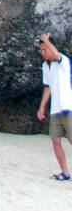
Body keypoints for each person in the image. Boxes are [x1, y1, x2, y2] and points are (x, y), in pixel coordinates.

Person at [37, 33, 72, 180]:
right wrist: (42, 107)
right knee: (55, 140)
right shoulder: (45, 66)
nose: (43, 52)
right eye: (41, 50)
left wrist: (46, 40)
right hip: (55, 109)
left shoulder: (62, 60)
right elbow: (48, 87)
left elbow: (56, 54)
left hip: (68, 106)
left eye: (45, 49)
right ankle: (65, 172)